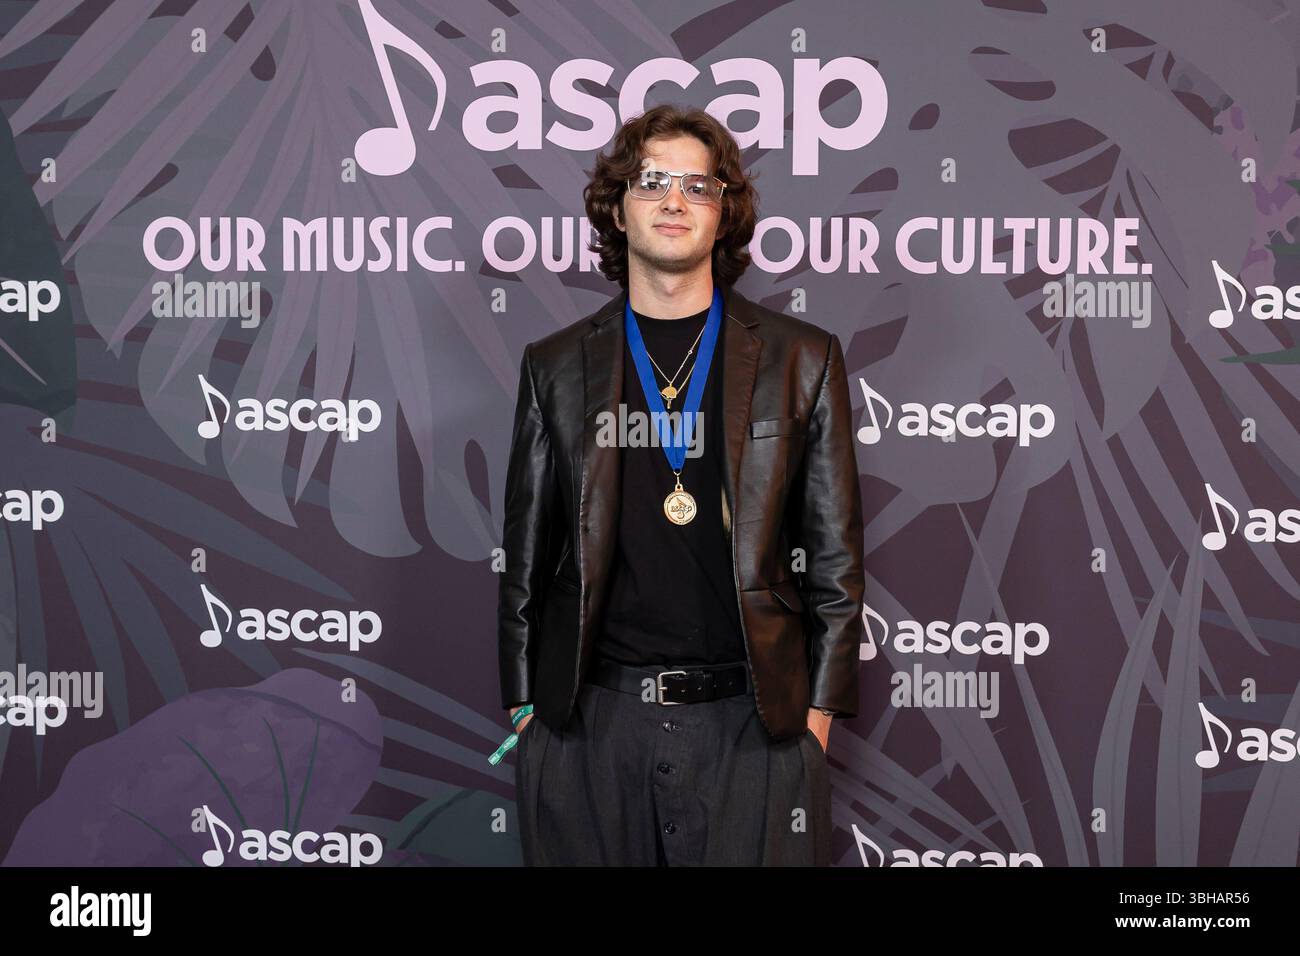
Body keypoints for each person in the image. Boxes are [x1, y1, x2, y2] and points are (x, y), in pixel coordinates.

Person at [496, 103, 865, 866]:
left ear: (724, 213)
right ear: (618, 211)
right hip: (591, 724)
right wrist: (527, 707)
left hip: (754, 724)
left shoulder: (802, 359)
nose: (673, 199)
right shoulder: (556, 365)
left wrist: (818, 715)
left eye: (698, 186)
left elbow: (835, 561)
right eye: (651, 181)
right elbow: (525, 556)